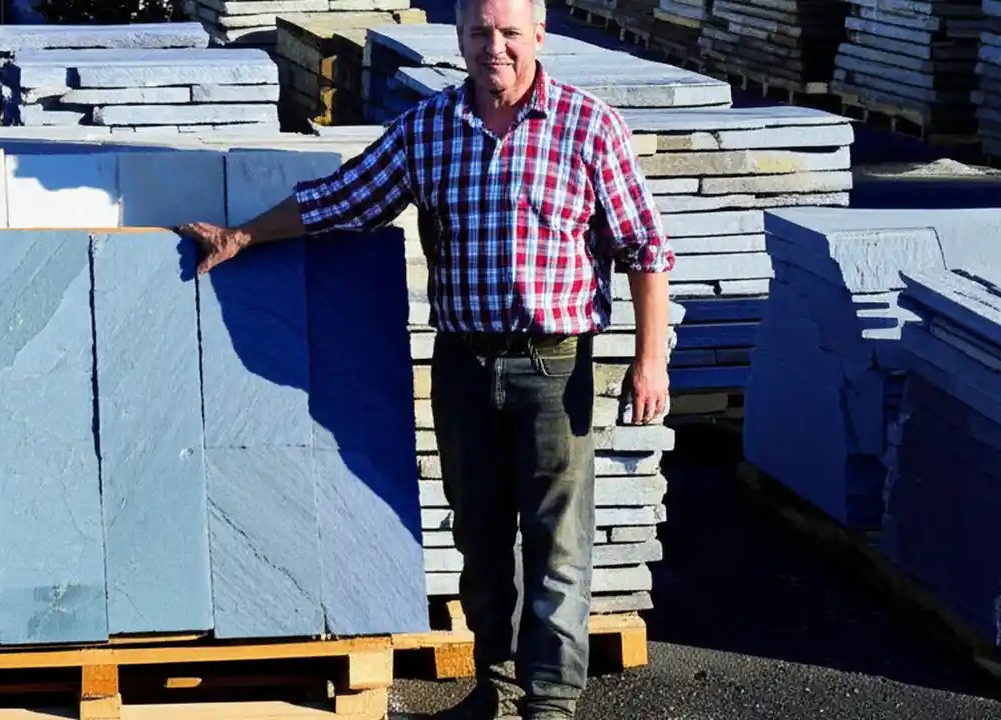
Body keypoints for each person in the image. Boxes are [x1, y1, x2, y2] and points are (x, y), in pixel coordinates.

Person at [177, 0, 673, 714]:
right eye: (479, 32)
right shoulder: (430, 130)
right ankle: (496, 694)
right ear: (460, 37)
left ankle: (551, 707)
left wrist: (649, 360)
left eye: (509, 33)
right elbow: (345, 199)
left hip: (554, 368)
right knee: (479, 541)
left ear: (539, 35)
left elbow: (645, 248)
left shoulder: (587, 126)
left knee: (558, 548)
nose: (494, 47)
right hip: (464, 368)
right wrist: (246, 236)